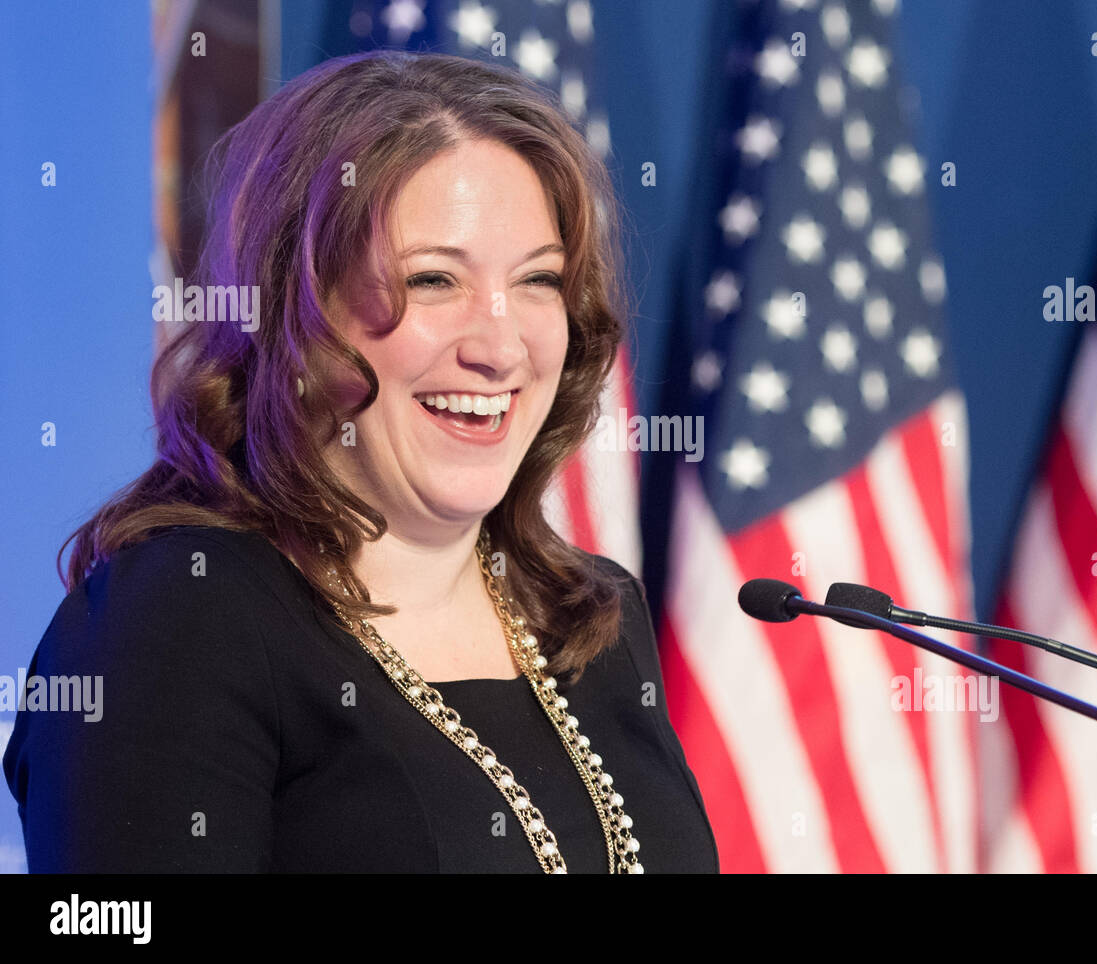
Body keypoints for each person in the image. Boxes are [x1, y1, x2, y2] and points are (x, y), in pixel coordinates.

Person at [3, 49, 718, 874]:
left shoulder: (591, 614)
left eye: (537, 281)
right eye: (434, 280)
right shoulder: (176, 619)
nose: (499, 345)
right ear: (293, 313)